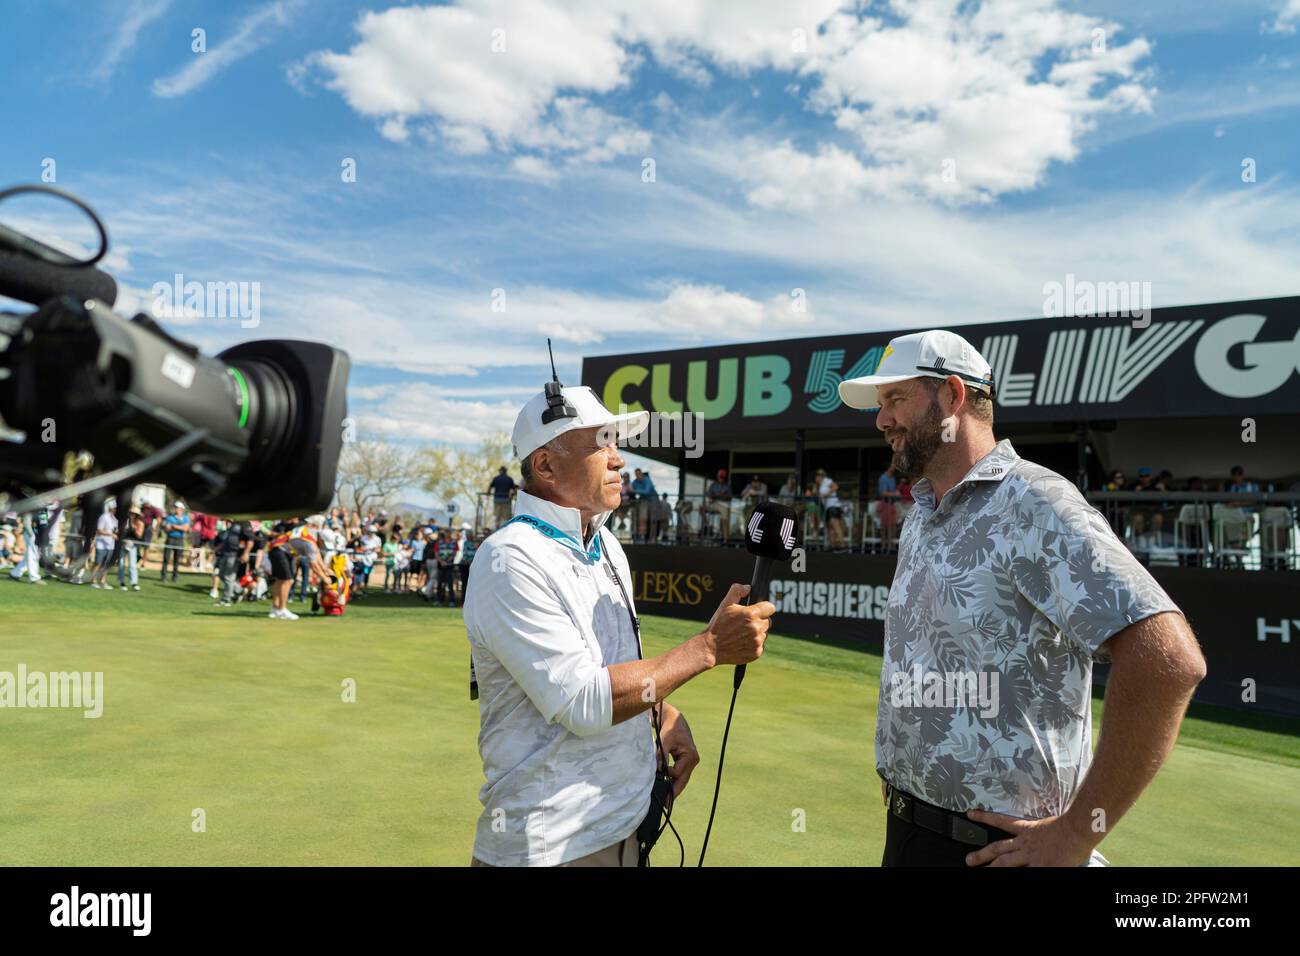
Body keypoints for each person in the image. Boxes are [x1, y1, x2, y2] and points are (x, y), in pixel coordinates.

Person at [838, 328, 1205, 867]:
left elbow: (1169, 661)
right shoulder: (922, 513)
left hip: (1000, 854)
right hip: (910, 834)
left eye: (897, 398)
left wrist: (1078, 833)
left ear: (954, 396)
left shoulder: (1036, 502)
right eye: (880, 403)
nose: (881, 419)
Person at [464, 381, 776, 866]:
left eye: (616, 441)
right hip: (552, 847)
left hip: (627, 827)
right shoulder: (509, 557)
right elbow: (584, 702)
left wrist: (660, 715)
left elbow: (614, 666)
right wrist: (709, 647)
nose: (619, 459)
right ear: (545, 465)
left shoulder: (605, 544)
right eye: (600, 443)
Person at [266, 515, 333, 620]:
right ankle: (282, 610)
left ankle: (275, 608)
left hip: (276, 549)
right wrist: (324, 578)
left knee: (280, 580)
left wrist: (325, 569)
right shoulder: (310, 541)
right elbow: (313, 564)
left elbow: (316, 553)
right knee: (287, 580)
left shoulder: (308, 534)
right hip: (280, 551)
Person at [214, 518, 254, 607]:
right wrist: (218, 548)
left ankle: (226, 600)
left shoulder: (244, 523)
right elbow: (228, 539)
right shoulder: (234, 524)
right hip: (226, 553)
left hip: (234, 554)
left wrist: (246, 553)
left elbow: (250, 540)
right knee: (221, 574)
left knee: (229, 577)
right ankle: (238, 590)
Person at [88, 500, 118, 590]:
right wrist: (110, 534)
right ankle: (93, 580)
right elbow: (99, 530)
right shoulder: (104, 517)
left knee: (106, 564)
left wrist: (116, 533)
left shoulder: (115, 519)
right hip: (101, 544)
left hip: (110, 545)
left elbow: (115, 530)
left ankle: (103, 581)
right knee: (98, 563)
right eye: (116, 508)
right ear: (112, 508)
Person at [117, 507, 145, 591]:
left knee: (132, 565)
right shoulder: (124, 522)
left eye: (134, 514)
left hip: (132, 546)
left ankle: (134, 583)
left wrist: (134, 528)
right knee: (121, 564)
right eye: (131, 513)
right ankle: (121, 582)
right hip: (122, 544)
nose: (132, 515)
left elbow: (139, 535)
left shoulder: (139, 523)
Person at [161, 501, 189, 582]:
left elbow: (185, 528)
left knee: (177, 560)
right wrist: (180, 526)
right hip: (170, 538)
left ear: (182, 509)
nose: (176, 509)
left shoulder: (185, 518)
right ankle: (163, 576)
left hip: (179, 539)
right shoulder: (169, 517)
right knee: (166, 558)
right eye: (175, 507)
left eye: (178, 508)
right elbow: (167, 528)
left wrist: (174, 526)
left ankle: (175, 577)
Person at [703, 469, 732, 543]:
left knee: (724, 520)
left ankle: (725, 540)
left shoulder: (727, 486)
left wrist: (723, 495)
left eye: (722, 477)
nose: (720, 478)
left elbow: (730, 497)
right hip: (714, 504)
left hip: (723, 504)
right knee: (701, 508)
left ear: (724, 478)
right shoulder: (713, 485)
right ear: (717, 477)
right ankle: (708, 526)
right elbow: (709, 495)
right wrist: (716, 495)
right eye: (720, 477)